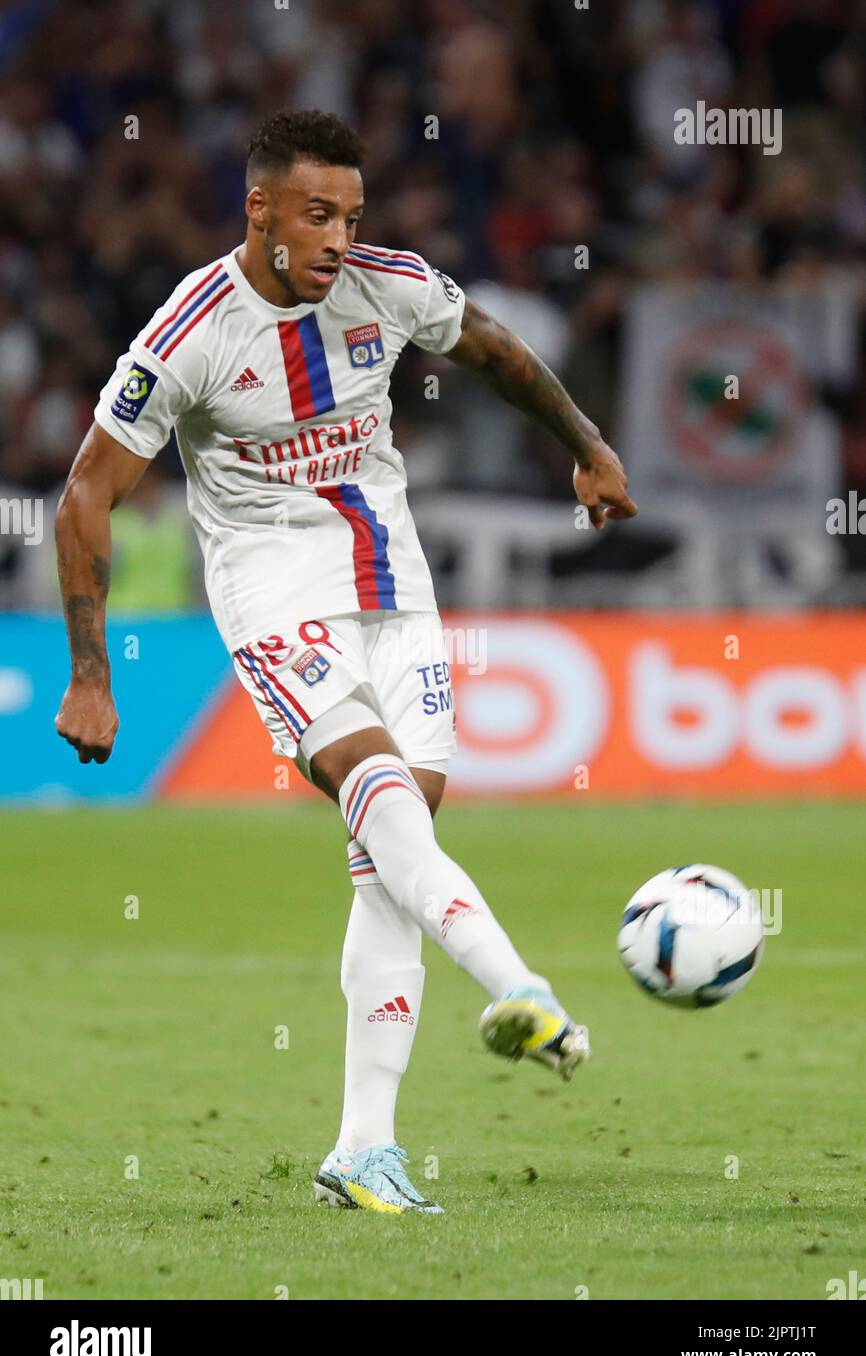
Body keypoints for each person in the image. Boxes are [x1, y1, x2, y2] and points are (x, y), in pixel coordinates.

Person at [54, 110, 637, 1215]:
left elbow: (499, 354)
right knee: (385, 812)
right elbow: (85, 493)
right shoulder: (190, 332)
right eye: (315, 216)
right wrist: (92, 669)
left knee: (390, 854)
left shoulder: (388, 285)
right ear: (258, 210)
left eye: (352, 216)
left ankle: (361, 1150)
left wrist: (589, 445)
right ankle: (518, 987)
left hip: (393, 582)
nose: (336, 238)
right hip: (272, 588)